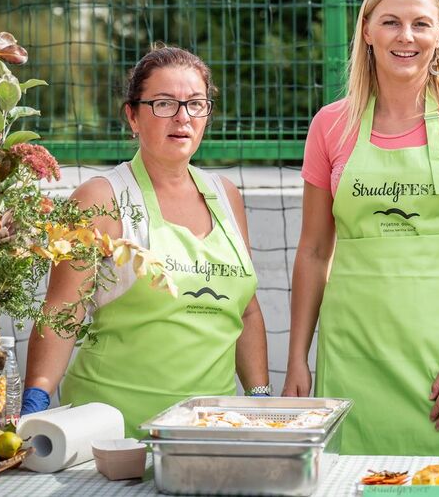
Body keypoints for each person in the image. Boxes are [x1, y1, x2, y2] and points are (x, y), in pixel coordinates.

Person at [282, 0, 439, 456]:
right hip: (354, 358)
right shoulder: (329, 126)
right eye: (390, 22)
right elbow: (314, 250)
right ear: (367, 31)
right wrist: (297, 359)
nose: (406, 37)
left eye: (421, 24)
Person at [22, 46, 270, 437]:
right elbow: (63, 313)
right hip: (111, 435)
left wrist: (259, 397)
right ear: (132, 116)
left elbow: (247, 311)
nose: (182, 117)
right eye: (164, 104)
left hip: (204, 435)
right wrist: (34, 403)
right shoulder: (101, 198)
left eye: (195, 104)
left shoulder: (225, 195)